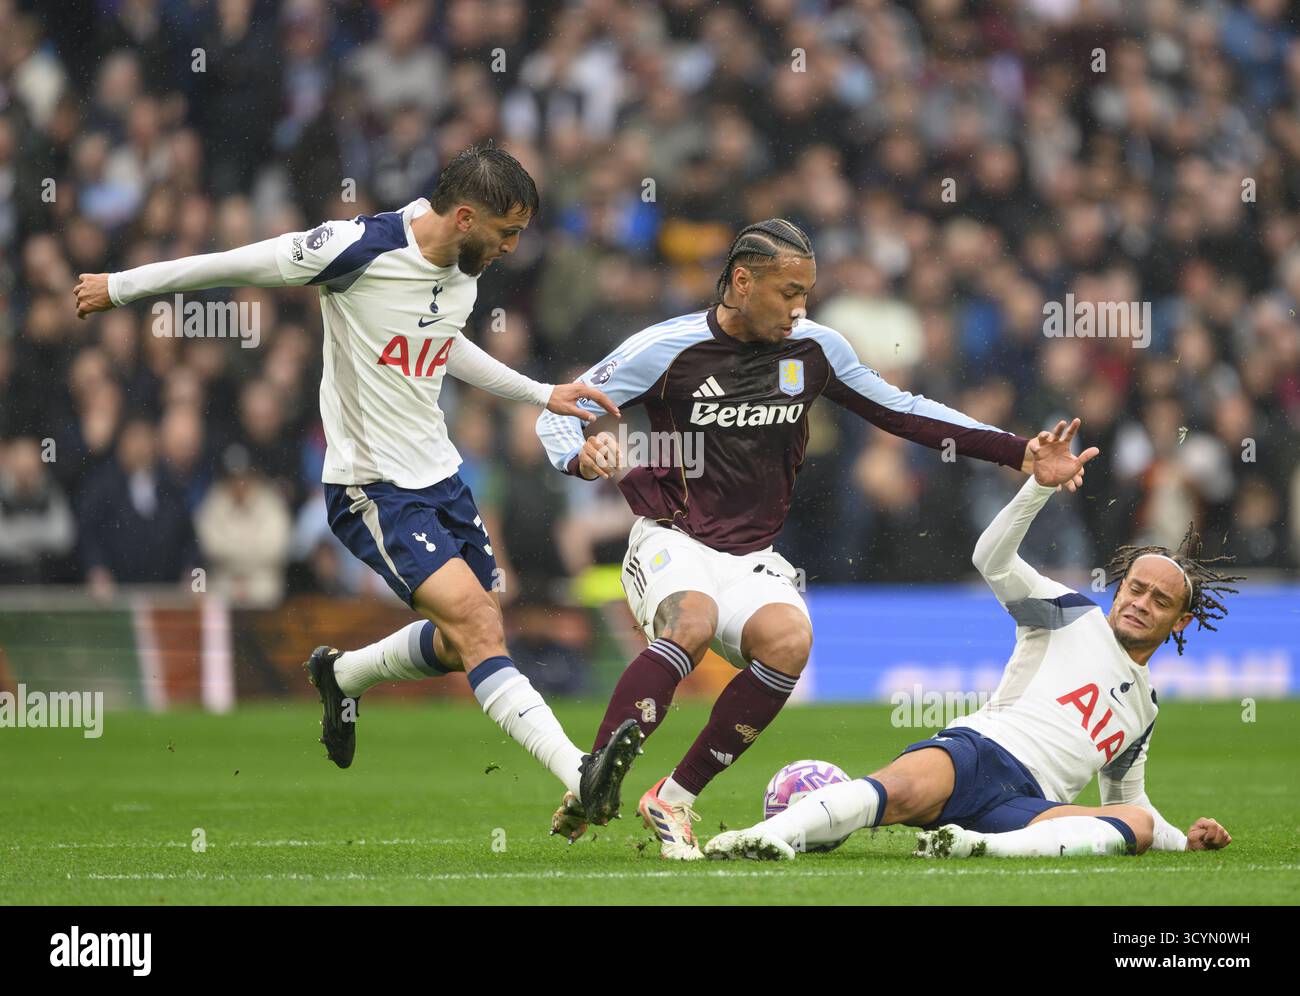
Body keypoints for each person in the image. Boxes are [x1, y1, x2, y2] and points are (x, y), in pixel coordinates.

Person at [73, 143, 642, 826]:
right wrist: (122, 286)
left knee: (472, 630)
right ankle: (580, 774)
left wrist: (541, 393)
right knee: (477, 625)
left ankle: (342, 675)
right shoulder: (354, 250)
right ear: (465, 217)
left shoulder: (464, 267)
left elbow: (444, 338)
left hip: (442, 475)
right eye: (507, 233)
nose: (512, 248)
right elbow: (236, 260)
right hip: (372, 484)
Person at [536, 219, 1071, 858]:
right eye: (788, 293)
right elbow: (558, 411)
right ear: (741, 281)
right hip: (671, 536)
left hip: (752, 555)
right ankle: (598, 770)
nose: (799, 309)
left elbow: (903, 409)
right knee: (693, 623)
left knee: (790, 642)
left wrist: (1019, 452)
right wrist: (581, 455)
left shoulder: (815, 349)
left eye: (807, 295)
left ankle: (673, 799)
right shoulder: (667, 348)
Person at [706, 420, 1237, 861]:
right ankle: (767, 836)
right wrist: (1039, 486)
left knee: (1136, 825)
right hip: (980, 753)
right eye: (1135, 589)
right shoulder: (1068, 614)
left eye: (1159, 601)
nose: (1140, 603)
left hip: (1031, 807)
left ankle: (974, 845)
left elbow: (1128, 799)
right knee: (899, 789)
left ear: (1181, 623)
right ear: (1119, 589)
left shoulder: (1144, 710)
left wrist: (1183, 840)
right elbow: (991, 559)